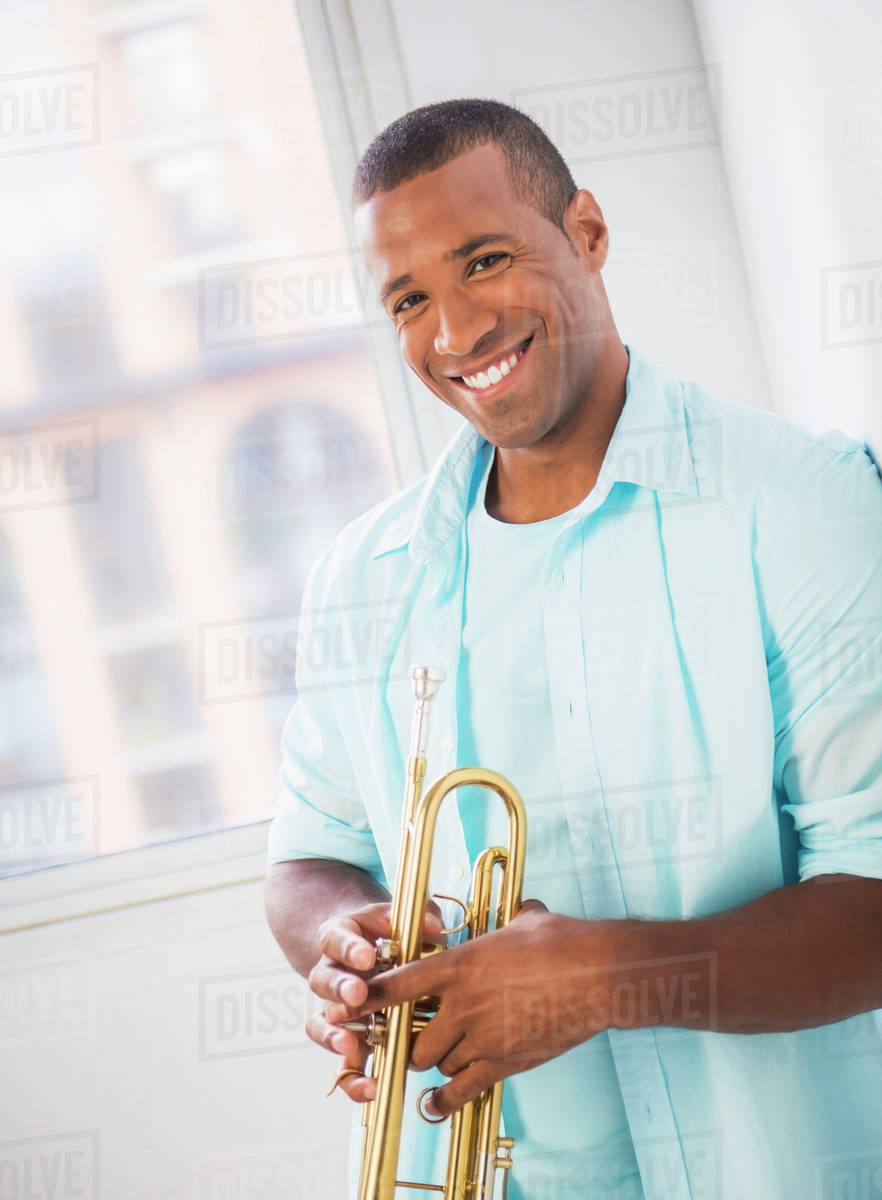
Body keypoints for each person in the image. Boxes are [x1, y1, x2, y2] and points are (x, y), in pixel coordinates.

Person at [265, 99, 882, 1199]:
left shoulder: (808, 505)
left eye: (485, 260)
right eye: (409, 299)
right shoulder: (361, 578)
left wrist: (603, 977)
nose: (454, 333)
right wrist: (342, 943)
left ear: (588, 231)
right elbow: (309, 855)